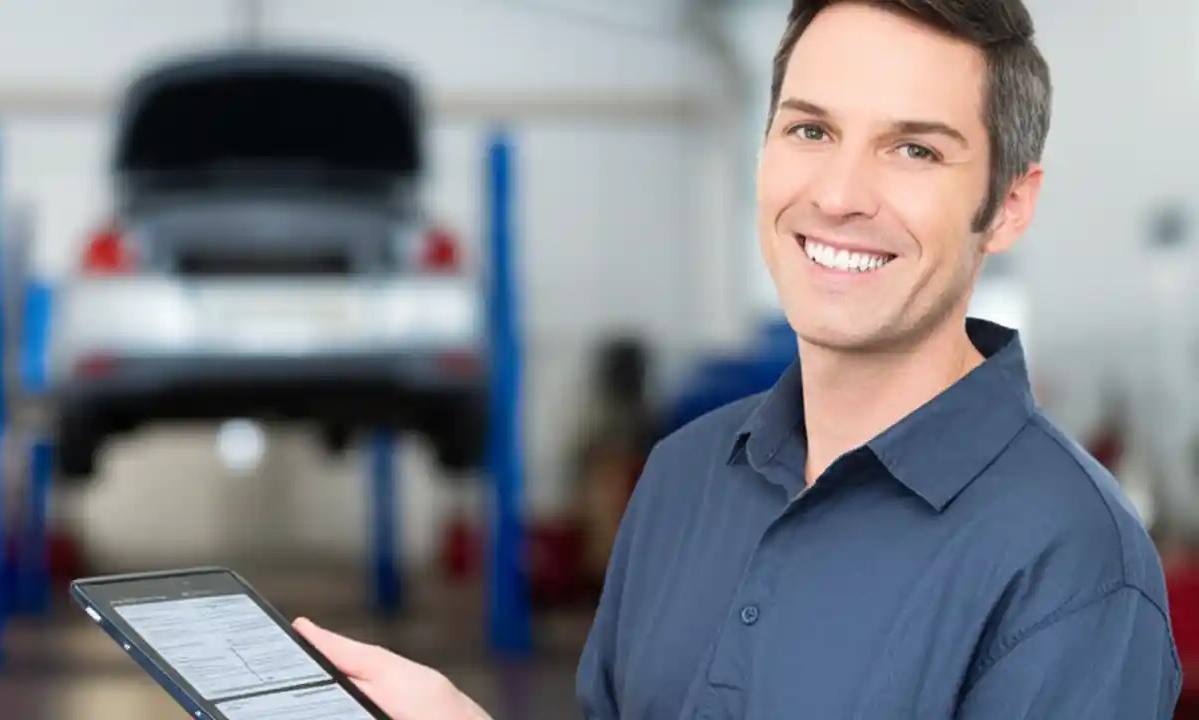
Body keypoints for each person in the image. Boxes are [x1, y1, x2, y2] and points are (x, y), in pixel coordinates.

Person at [295, 0, 1183, 717]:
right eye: (809, 131)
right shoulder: (684, 479)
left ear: (1010, 204)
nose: (838, 196)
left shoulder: (1072, 565)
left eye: (913, 149)